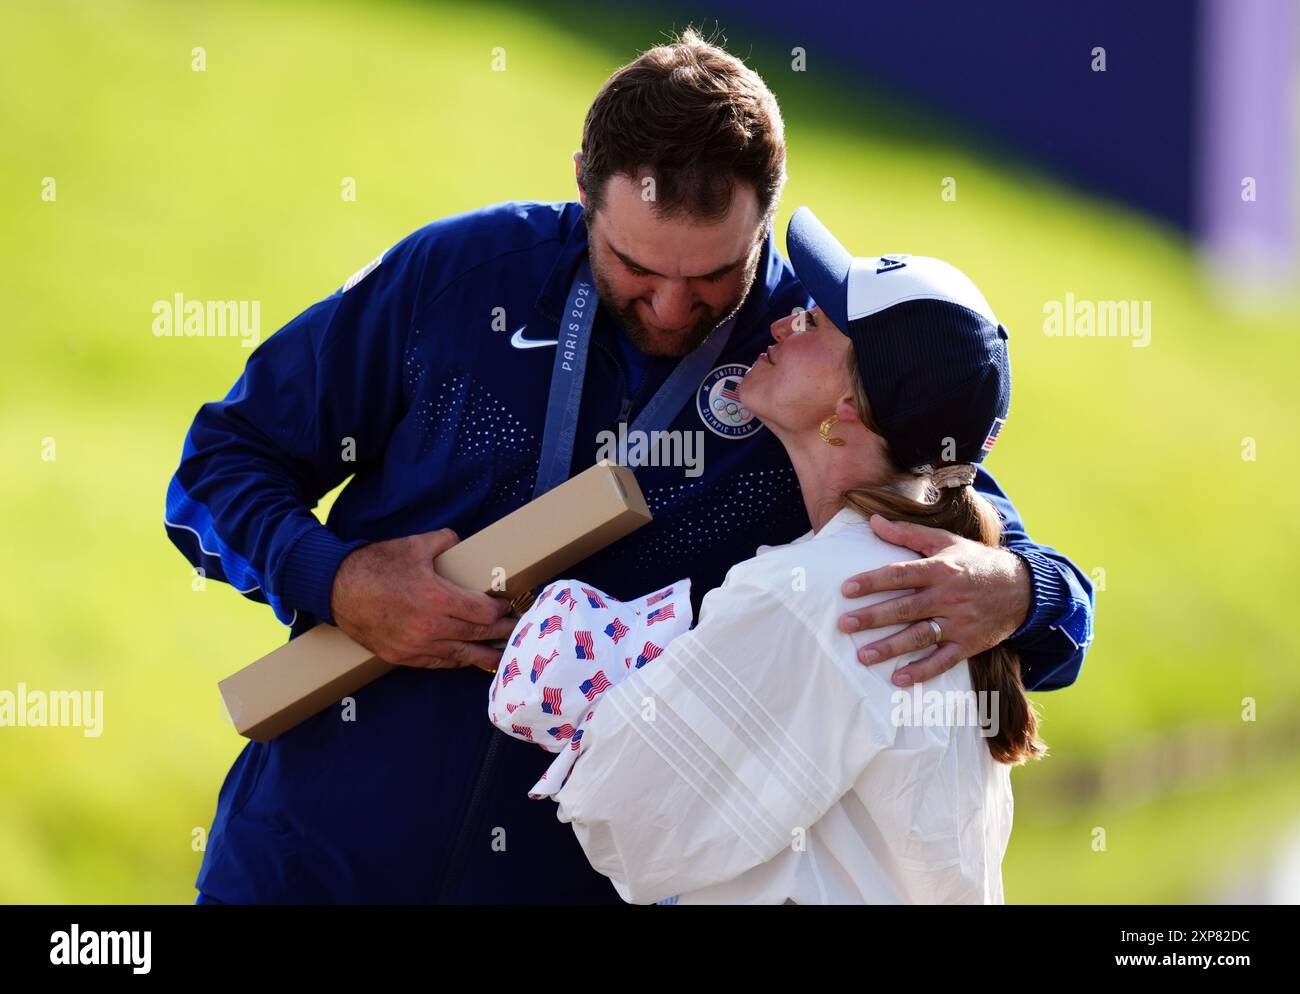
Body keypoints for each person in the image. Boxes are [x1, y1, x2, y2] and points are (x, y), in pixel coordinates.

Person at [165, 31, 1092, 904]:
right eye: (637, 267)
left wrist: (1024, 590)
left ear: (765, 218)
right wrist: (331, 579)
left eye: (713, 277)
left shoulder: (813, 355)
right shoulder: (461, 276)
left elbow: (970, 534)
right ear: (582, 185)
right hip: (306, 860)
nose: (670, 307)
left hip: (574, 881)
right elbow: (219, 465)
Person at [542, 208, 1042, 903]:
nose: (782, 324)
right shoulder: (922, 585)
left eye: (815, 324)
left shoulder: (816, 593)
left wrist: (587, 671)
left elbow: (621, 823)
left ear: (851, 406)